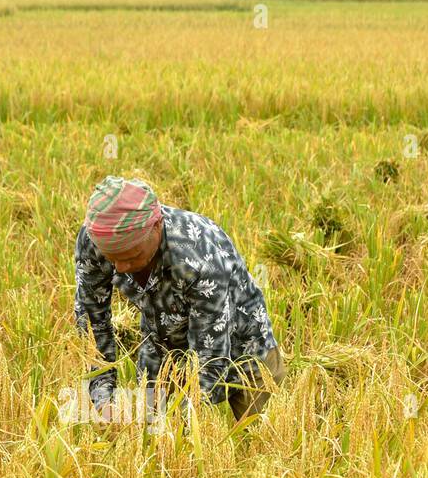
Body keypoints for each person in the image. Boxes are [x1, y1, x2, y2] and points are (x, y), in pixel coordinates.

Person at [74, 176, 283, 426]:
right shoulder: (94, 240)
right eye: (112, 258)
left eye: (132, 257)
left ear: (157, 226)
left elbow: (210, 358)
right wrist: (102, 399)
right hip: (162, 349)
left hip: (244, 348)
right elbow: (91, 321)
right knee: (152, 437)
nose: (120, 267)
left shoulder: (197, 258)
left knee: (262, 439)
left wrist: (182, 426)